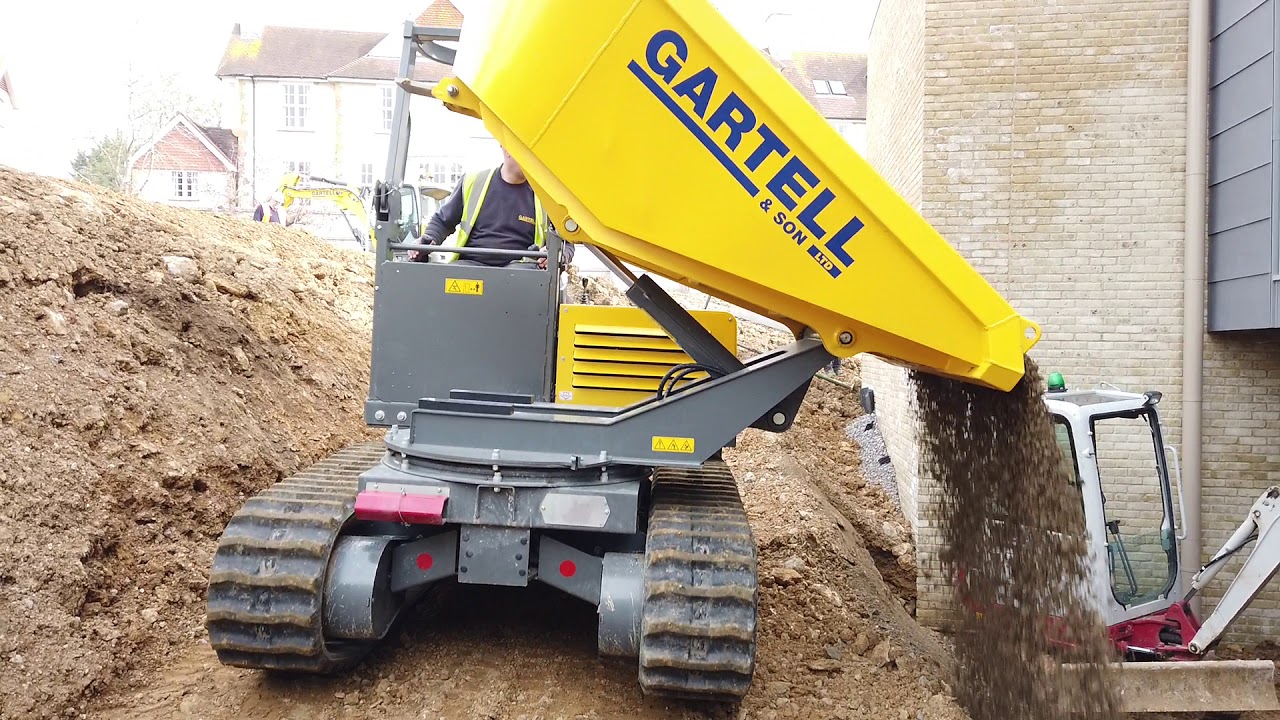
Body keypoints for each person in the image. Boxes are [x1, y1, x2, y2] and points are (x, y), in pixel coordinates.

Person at [408, 147, 573, 269]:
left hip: (521, 266)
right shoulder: (474, 182)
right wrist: (428, 240)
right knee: (452, 277)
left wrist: (558, 256)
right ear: (508, 149)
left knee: (526, 275)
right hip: (471, 264)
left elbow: (567, 240)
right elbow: (443, 221)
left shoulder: (545, 195)